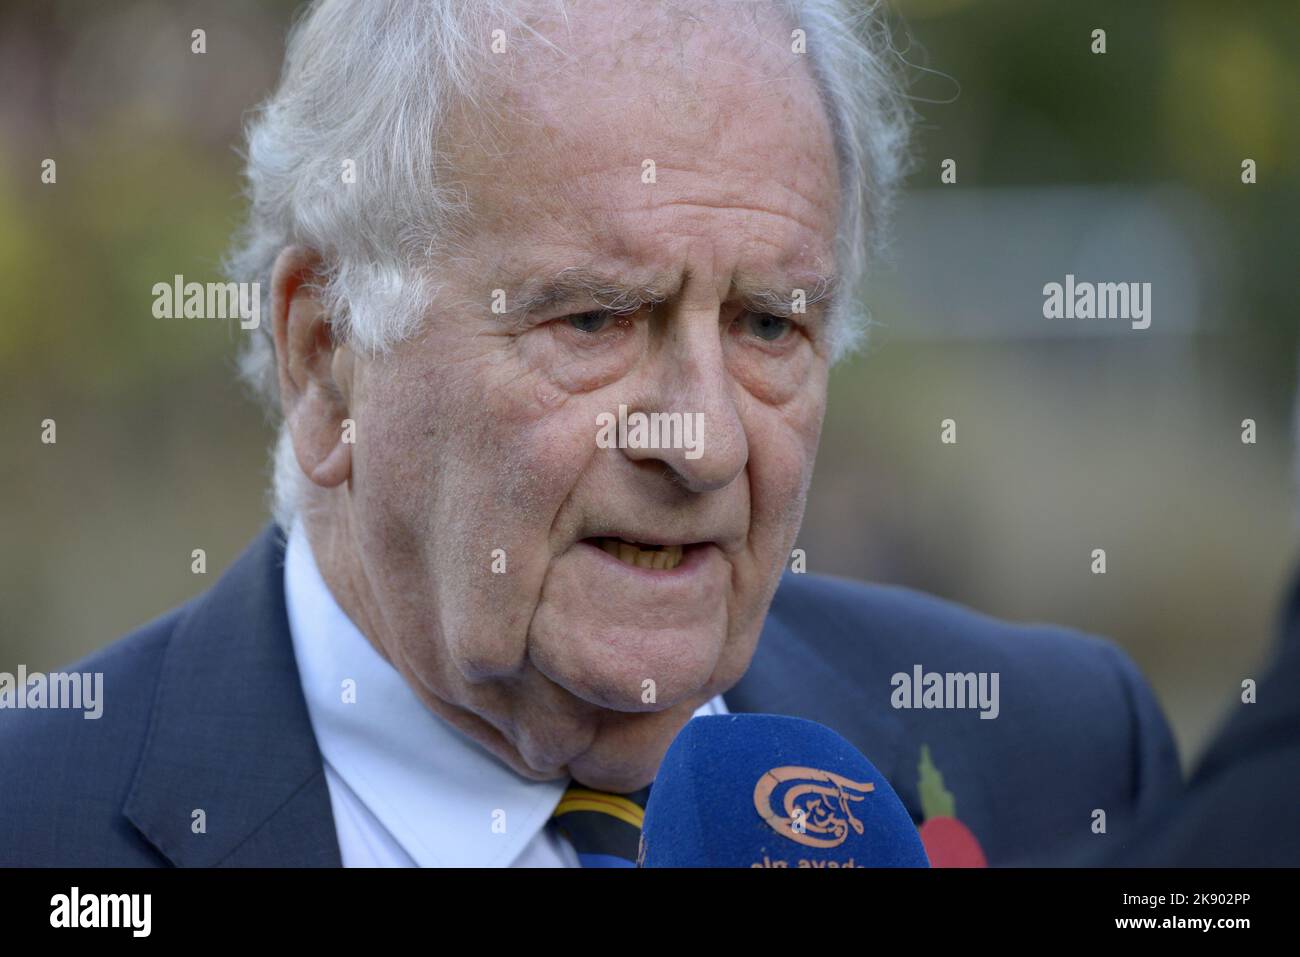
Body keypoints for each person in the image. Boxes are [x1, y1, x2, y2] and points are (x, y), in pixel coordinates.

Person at [0, 0, 1181, 867]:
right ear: (327, 350)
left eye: (770, 323)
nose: (707, 441)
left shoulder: (1061, 756)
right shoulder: (38, 822)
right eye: (598, 318)